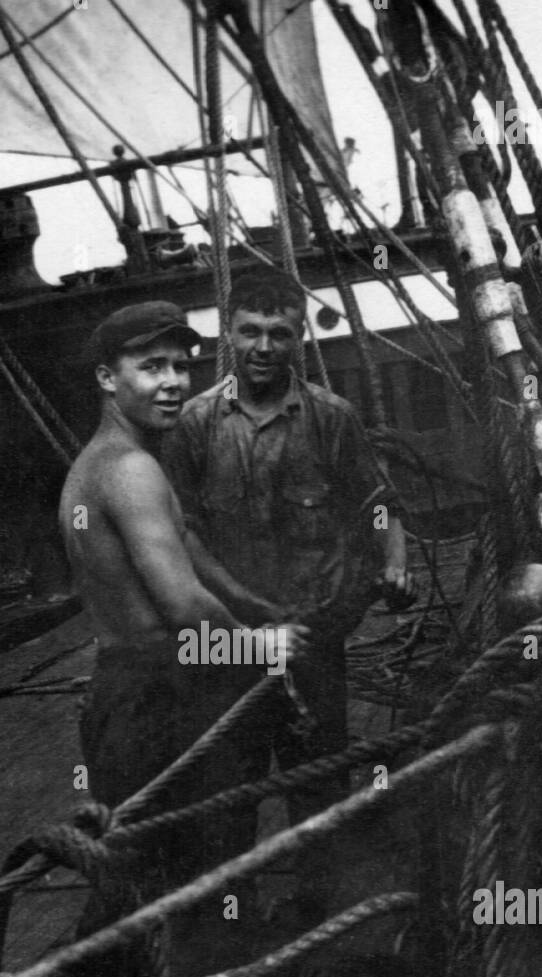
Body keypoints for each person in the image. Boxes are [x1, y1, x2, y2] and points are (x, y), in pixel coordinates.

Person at [55, 300, 308, 977]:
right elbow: (178, 605)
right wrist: (260, 649)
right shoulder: (128, 470)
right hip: (162, 701)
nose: (172, 383)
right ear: (108, 379)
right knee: (196, 889)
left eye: (179, 364)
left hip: (131, 692)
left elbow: (192, 564)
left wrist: (249, 607)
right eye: (149, 368)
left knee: (140, 885)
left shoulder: (111, 461)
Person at [163, 267, 416, 928]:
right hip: (231, 645)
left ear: (300, 335)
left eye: (280, 332)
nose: (263, 346)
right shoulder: (193, 425)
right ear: (228, 331)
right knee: (228, 795)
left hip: (312, 643)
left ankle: (322, 922)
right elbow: (183, 535)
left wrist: (393, 560)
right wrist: (247, 607)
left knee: (318, 787)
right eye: (250, 330)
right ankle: (234, 929)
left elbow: (377, 505)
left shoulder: (331, 419)